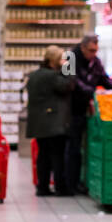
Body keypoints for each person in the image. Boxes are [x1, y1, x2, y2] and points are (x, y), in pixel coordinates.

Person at [64, 33, 112, 195]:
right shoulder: (70, 59)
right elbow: (71, 81)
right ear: (83, 47)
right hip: (70, 110)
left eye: (96, 51)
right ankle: (69, 183)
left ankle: (80, 182)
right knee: (73, 148)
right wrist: (91, 91)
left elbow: (103, 79)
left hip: (87, 109)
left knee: (82, 148)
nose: (94, 54)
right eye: (91, 50)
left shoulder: (95, 62)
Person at [26, 46, 72, 197]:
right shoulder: (52, 76)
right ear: (54, 61)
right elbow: (68, 86)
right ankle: (61, 187)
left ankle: (42, 187)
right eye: (60, 59)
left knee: (43, 156)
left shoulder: (34, 75)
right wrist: (68, 69)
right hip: (53, 122)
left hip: (38, 123)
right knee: (57, 155)